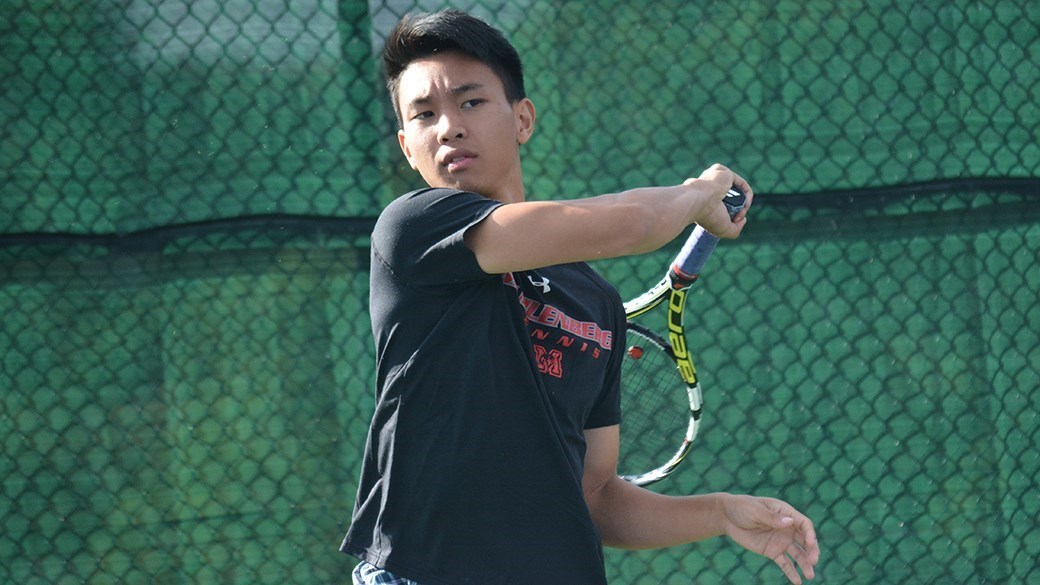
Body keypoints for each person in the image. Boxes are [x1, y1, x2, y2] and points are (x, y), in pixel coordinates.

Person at [341, 9, 819, 585]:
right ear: (406, 146)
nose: (448, 127)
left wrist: (719, 512)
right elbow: (630, 224)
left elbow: (596, 497)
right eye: (424, 115)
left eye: (470, 102)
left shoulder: (594, 302)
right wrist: (699, 193)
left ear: (523, 119)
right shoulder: (412, 229)